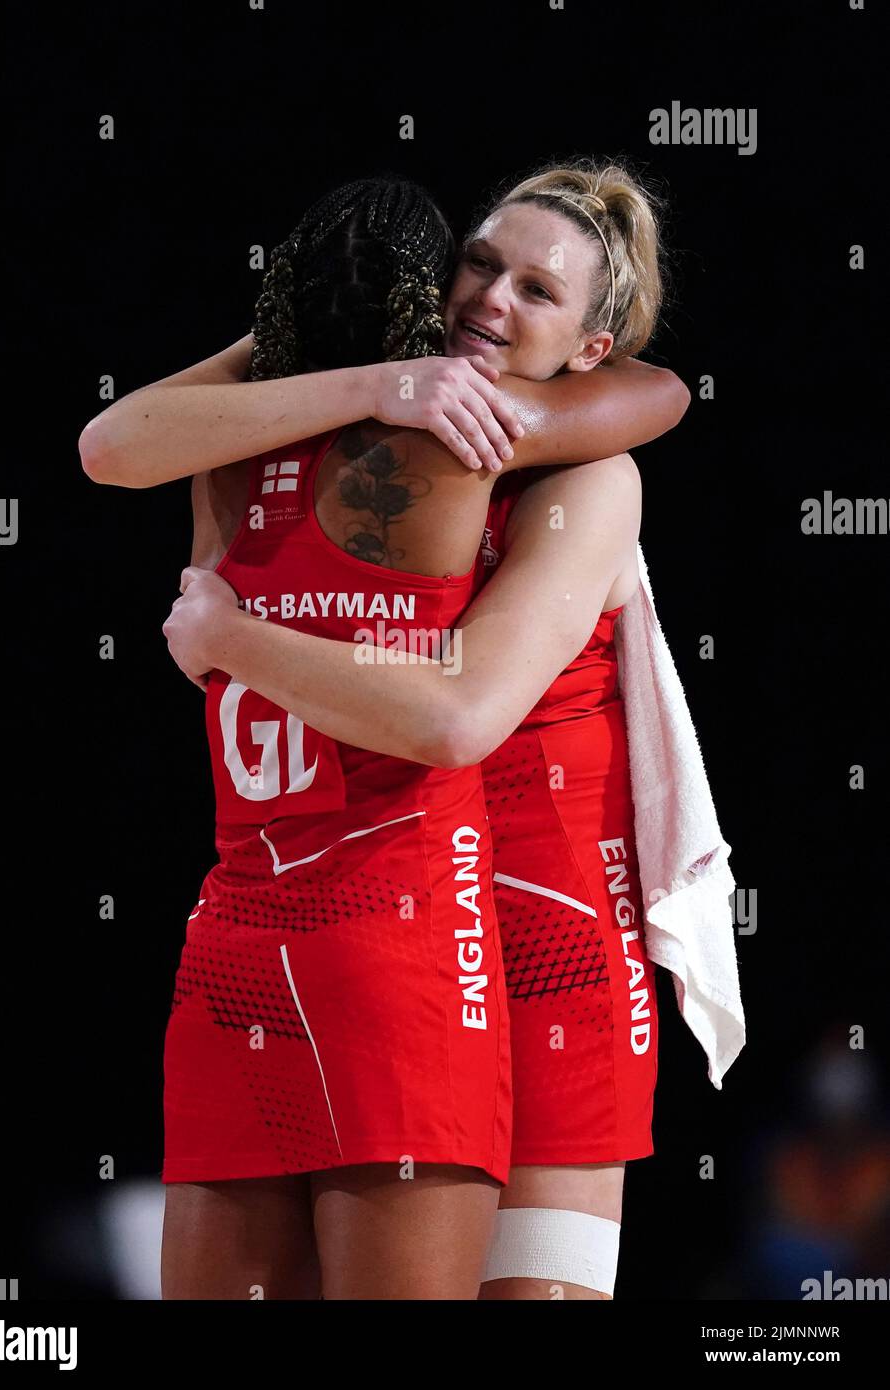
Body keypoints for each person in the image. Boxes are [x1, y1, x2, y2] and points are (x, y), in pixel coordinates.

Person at [83, 167, 686, 1299]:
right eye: (478, 263)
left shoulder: (583, 470)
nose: (491, 297)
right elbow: (117, 441)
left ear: (590, 348)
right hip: (378, 892)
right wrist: (383, 381)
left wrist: (228, 635)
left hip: (534, 916)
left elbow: (458, 712)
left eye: (536, 290)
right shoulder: (349, 414)